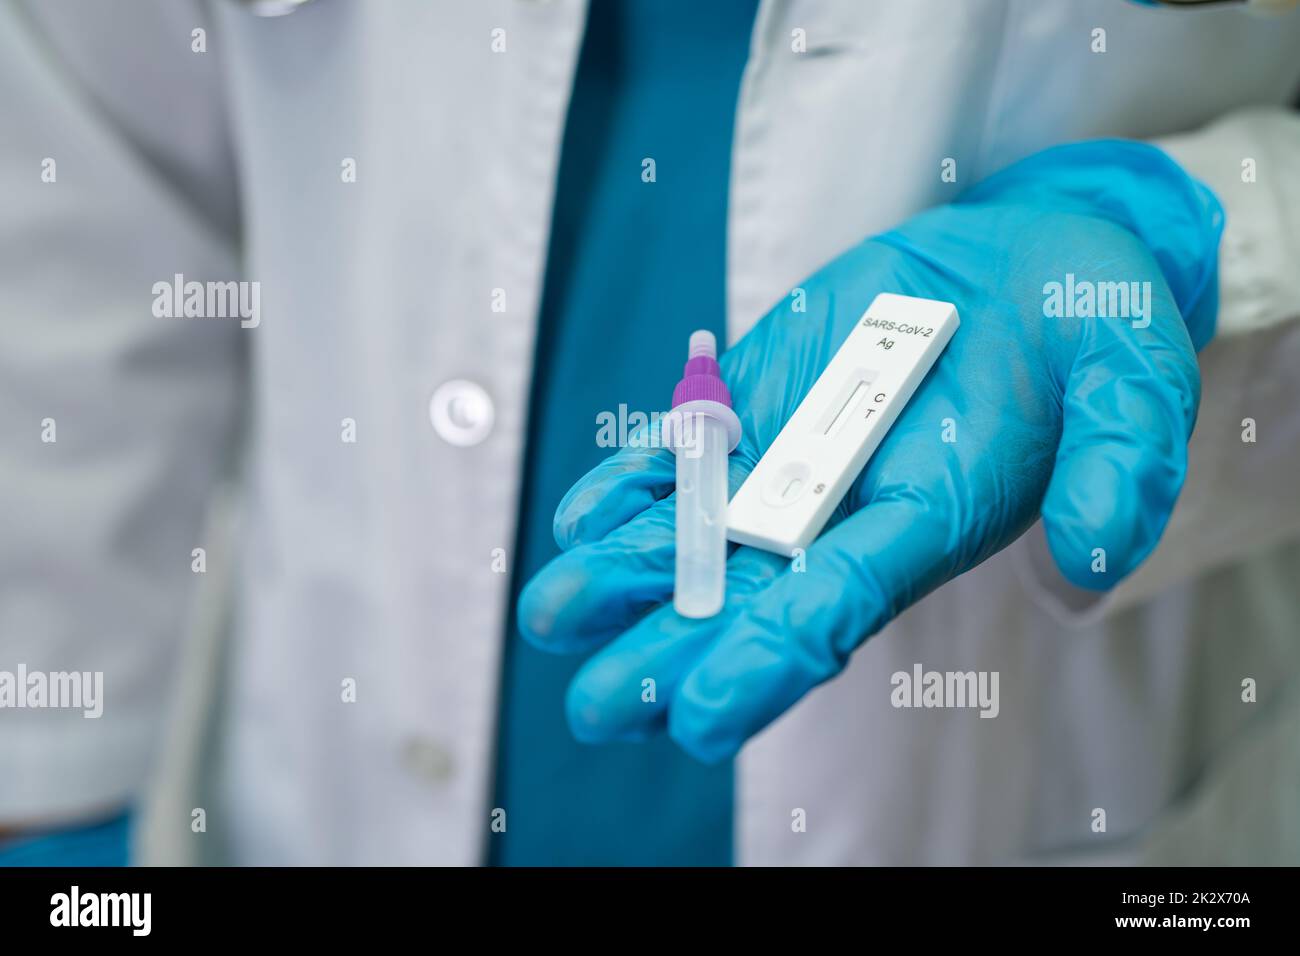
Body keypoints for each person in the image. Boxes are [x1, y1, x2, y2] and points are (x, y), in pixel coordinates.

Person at [2, 0, 1298, 867]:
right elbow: (80, 202)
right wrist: (54, 809)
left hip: (1033, 768)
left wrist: (1204, 243)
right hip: (334, 771)